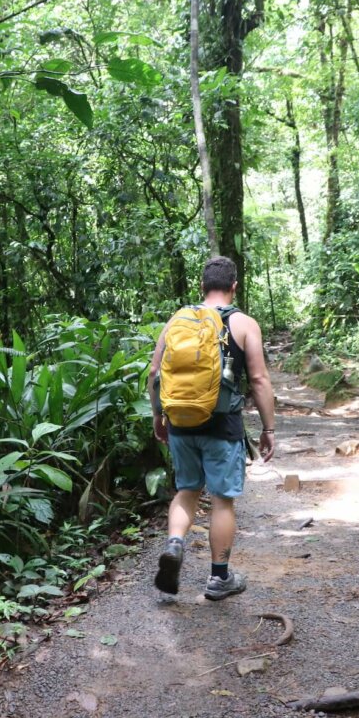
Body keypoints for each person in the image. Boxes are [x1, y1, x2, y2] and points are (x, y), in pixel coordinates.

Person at [148, 256, 276, 600]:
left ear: (201, 287)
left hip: (180, 422)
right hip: (223, 425)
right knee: (222, 501)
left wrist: (158, 417)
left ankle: (175, 542)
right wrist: (269, 429)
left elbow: (154, 374)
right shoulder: (244, 323)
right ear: (234, 287)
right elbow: (260, 379)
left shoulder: (178, 320)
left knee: (187, 490)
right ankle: (220, 579)